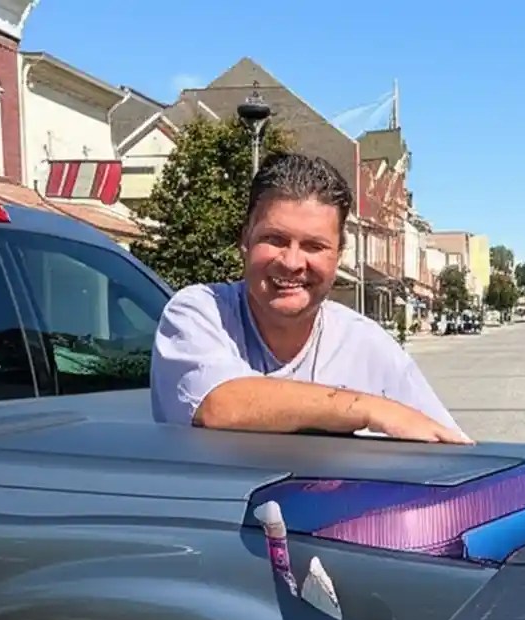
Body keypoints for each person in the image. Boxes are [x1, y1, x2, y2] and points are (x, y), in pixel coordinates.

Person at [149, 152, 470, 444]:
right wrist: (369, 409)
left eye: (314, 246)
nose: (291, 262)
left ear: (339, 256)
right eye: (274, 239)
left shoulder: (367, 344)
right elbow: (219, 405)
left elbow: (446, 447)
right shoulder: (198, 312)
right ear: (244, 240)